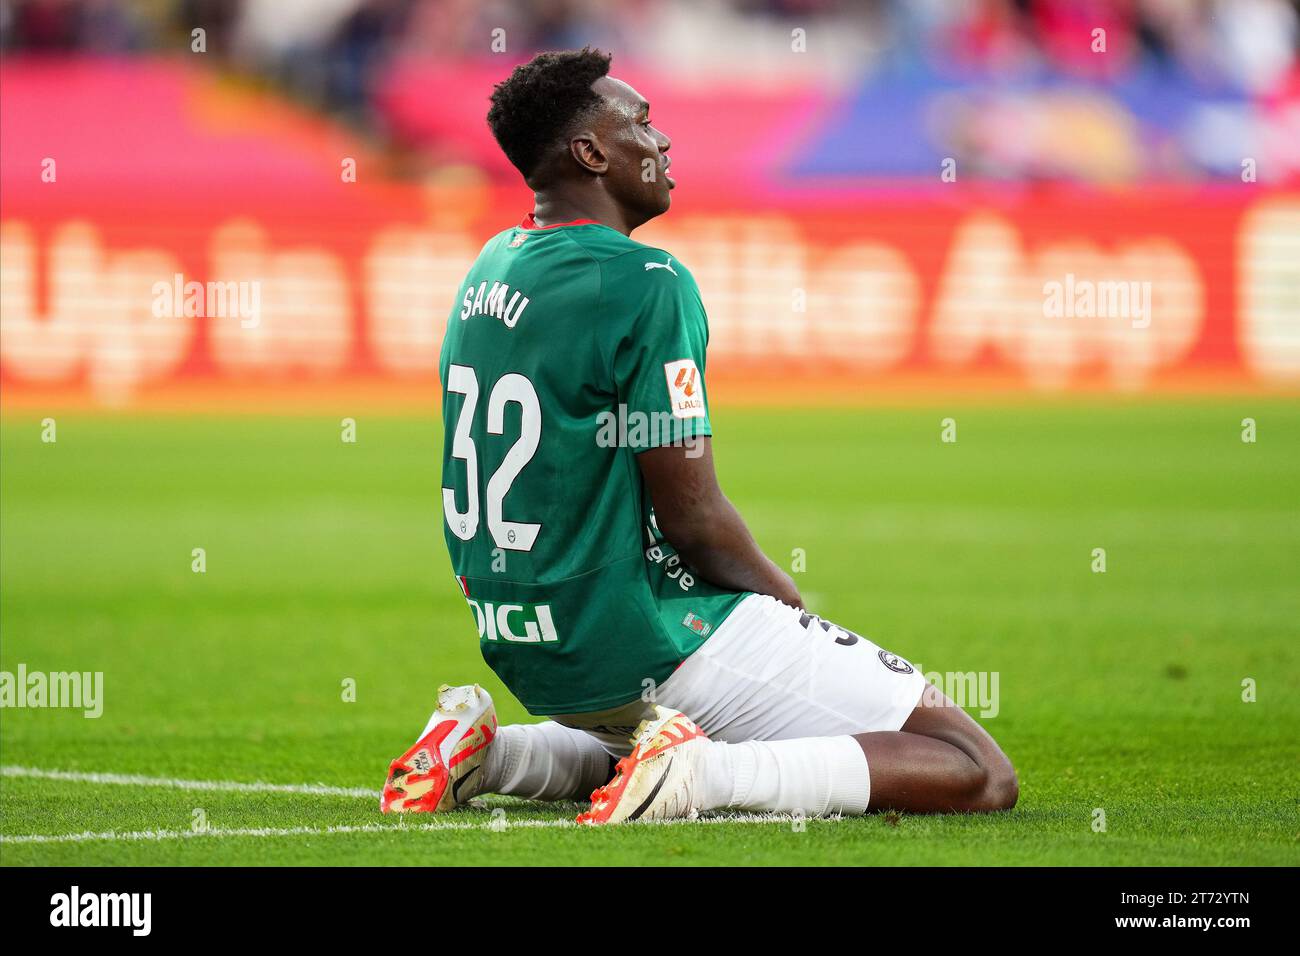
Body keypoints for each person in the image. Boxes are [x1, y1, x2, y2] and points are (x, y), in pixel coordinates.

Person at [381, 48, 1017, 824]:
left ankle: (493, 752)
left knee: (647, 732)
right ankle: (697, 777)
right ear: (591, 152)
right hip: (643, 637)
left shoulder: (487, 268)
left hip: (529, 647)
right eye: (642, 122)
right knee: (974, 769)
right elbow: (695, 521)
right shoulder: (647, 283)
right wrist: (789, 609)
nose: (663, 142)